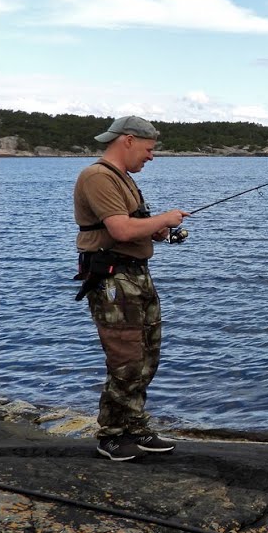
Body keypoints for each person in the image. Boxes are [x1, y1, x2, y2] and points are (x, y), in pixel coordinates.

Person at [72, 115, 191, 461]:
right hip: (114, 281)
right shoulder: (97, 176)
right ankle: (111, 436)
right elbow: (121, 231)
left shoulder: (123, 178)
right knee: (125, 359)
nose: (152, 156)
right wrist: (165, 218)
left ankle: (135, 428)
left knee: (147, 356)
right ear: (128, 140)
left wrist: (157, 230)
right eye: (149, 149)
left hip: (137, 275)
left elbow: (131, 225)